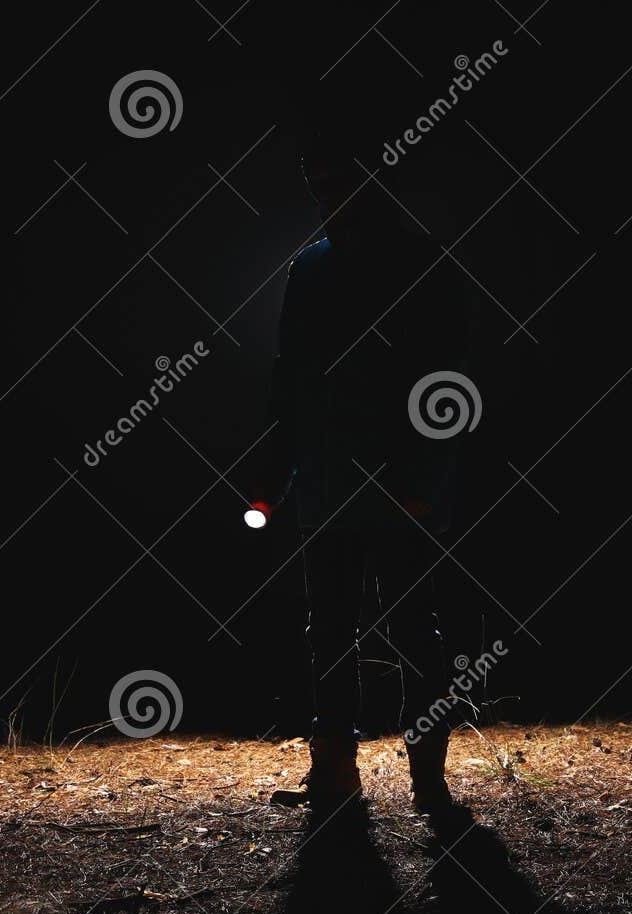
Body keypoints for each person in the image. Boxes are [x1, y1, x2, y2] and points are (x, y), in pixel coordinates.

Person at [254, 133, 473, 815]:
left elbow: (444, 379)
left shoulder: (417, 262)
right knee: (333, 626)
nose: (328, 196)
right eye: (318, 184)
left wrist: (422, 478)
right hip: (329, 481)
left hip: (392, 482)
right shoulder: (312, 267)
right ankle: (338, 774)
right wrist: (275, 474)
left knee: (408, 624)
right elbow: (290, 380)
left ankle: (428, 780)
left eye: (338, 181)